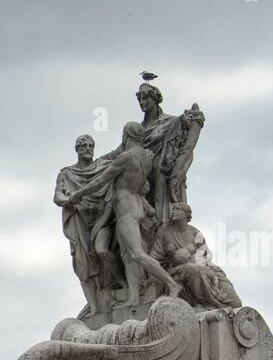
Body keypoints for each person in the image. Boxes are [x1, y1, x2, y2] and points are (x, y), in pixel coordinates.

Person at [66, 122, 182, 306]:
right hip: (135, 206)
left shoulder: (126, 158)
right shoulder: (146, 157)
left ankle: (172, 284)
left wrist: (77, 194)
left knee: (137, 254)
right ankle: (134, 297)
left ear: (126, 136)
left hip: (126, 209)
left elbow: (100, 181)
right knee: (127, 256)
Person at [53, 134, 120, 315]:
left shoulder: (103, 167)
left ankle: (119, 283)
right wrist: (69, 199)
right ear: (77, 149)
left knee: (103, 251)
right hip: (79, 219)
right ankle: (94, 307)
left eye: (91, 146)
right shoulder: (67, 174)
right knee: (83, 264)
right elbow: (57, 196)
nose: (88, 149)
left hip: (103, 217)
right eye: (83, 146)